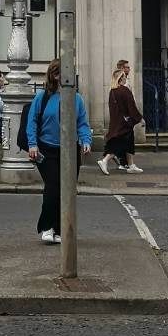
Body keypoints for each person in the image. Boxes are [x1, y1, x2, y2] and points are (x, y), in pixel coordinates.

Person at [26, 62, 92, 243]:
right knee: (53, 187)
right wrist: (32, 145)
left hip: (70, 150)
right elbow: (32, 121)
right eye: (61, 73)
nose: (66, 77)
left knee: (68, 191)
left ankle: (60, 229)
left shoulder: (76, 99)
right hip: (46, 149)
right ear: (54, 75)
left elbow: (82, 123)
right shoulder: (42, 97)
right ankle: (47, 227)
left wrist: (86, 140)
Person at [97, 66, 143, 174]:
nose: (126, 78)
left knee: (129, 143)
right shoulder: (125, 90)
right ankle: (105, 160)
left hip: (117, 122)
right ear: (121, 78)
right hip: (125, 123)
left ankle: (131, 165)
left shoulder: (112, 91)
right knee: (121, 144)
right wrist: (140, 118)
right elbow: (131, 106)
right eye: (124, 76)